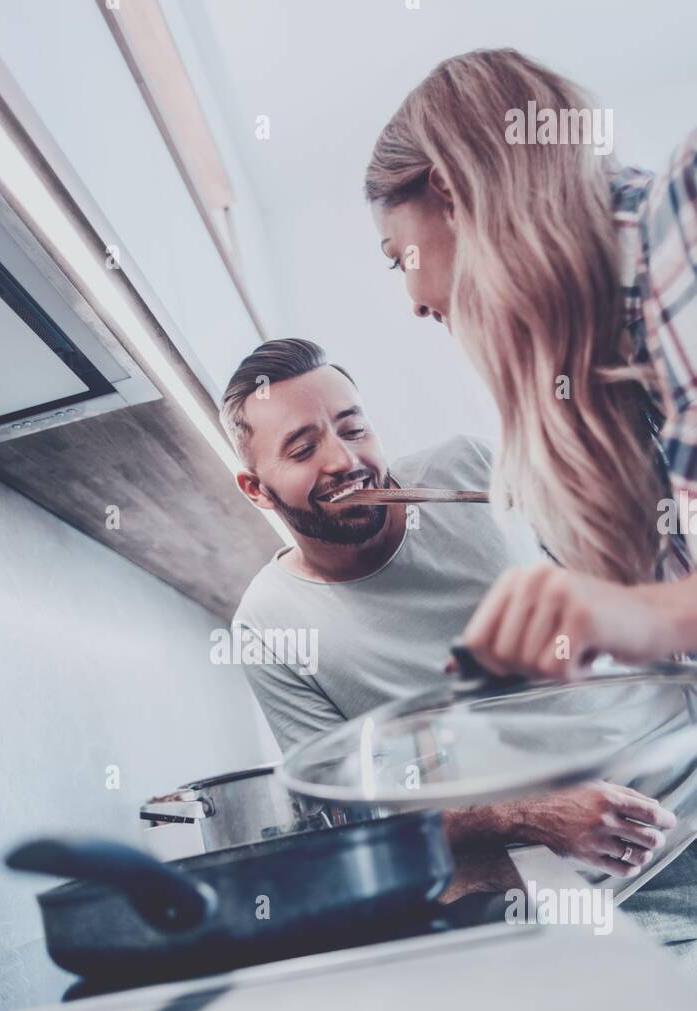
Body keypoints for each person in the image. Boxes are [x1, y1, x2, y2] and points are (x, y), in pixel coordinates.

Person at [219, 336, 681, 879]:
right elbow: (350, 814)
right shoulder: (266, 626)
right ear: (256, 489)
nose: (344, 460)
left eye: (353, 428)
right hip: (598, 881)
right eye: (302, 449)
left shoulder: (470, 466)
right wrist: (528, 815)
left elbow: (645, 581)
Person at [365, 47, 697, 680]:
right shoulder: (600, 389)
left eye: (395, 255)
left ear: (453, 193)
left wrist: (638, 613)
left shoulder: (686, 209)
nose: (413, 302)